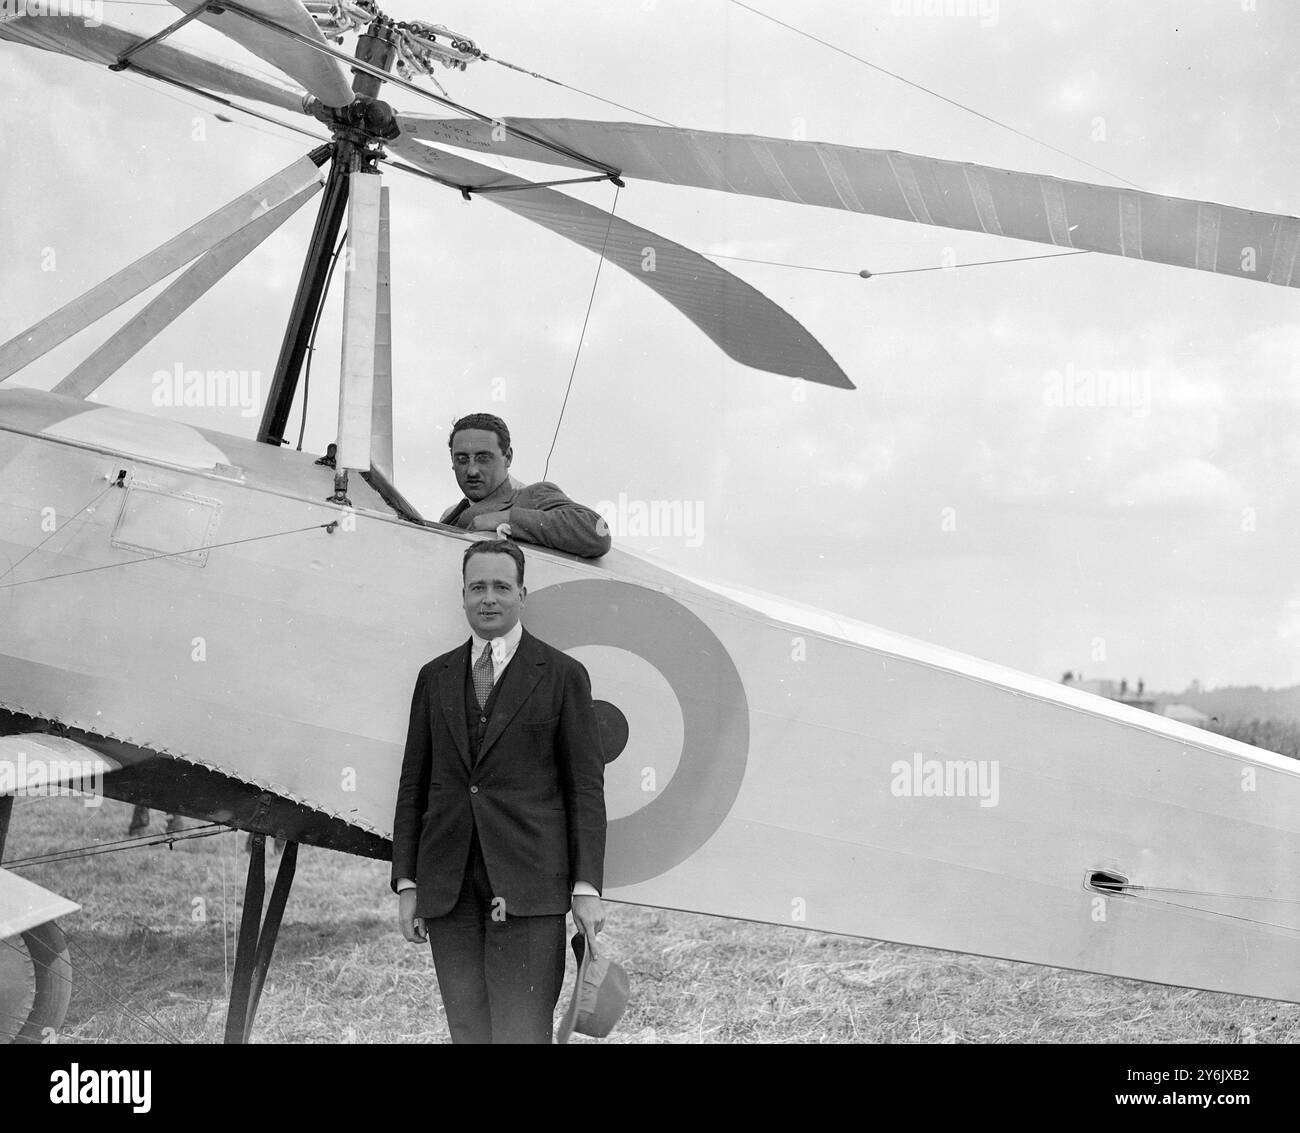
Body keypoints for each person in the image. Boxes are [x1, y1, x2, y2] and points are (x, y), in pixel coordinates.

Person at [391, 539, 607, 1043]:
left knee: (521, 1031)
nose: (489, 598)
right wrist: (407, 883)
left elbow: (585, 792)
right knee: (468, 1029)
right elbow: (413, 785)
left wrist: (587, 887)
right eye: (477, 587)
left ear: (522, 594)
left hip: (530, 888)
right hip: (450, 890)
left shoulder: (562, 675)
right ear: (463, 596)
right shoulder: (434, 677)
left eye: (501, 587)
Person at [439, 413, 611, 558]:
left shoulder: (530, 496)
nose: (472, 471)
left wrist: (504, 519)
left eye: (483, 458)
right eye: (461, 459)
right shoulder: (450, 515)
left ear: (508, 457)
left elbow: (597, 532)